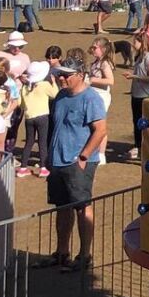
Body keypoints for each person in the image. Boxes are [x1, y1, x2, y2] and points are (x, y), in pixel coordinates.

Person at [39, 62, 109, 272]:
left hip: (78, 162)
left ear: (80, 74)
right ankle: (62, 252)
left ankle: (85, 255)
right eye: (60, 75)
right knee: (61, 207)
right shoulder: (60, 96)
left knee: (82, 206)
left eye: (66, 75)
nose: (61, 78)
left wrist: (84, 156)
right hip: (58, 161)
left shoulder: (91, 98)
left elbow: (101, 130)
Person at [17, 59, 55, 177]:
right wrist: (53, 83)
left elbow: (21, 104)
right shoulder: (44, 85)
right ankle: (43, 168)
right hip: (43, 117)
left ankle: (23, 168)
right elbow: (55, 94)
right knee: (42, 142)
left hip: (29, 118)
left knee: (29, 142)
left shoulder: (24, 87)